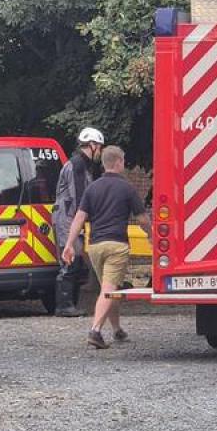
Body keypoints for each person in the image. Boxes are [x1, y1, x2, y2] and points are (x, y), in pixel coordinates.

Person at [61, 146, 150, 349]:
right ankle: (95, 331)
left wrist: (69, 244)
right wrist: (151, 235)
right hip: (116, 246)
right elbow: (142, 219)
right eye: (123, 161)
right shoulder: (127, 188)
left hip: (95, 247)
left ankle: (117, 330)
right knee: (109, 290)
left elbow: (79, 218)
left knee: (108, 290)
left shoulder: (92, 188)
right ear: (118, 162)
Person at [51, 127, 104, 316]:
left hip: (70, 217)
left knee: (76, 260)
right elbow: (79, 197)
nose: (100, 152)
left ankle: (70, 303)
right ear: (92, 145)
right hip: (68, 218)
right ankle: (64, 305)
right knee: (70, 259)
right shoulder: (77, 165)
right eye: (99, 147)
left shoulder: (82, 165)